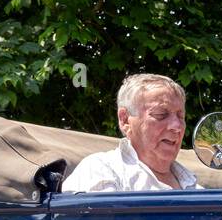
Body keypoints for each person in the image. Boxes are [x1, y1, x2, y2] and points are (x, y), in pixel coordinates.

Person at [62, 73, 202, 192]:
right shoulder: (101, 170)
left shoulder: (197, 189)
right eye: (161, 114)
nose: (177, 126)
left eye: (181, 116)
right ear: (125, 120)